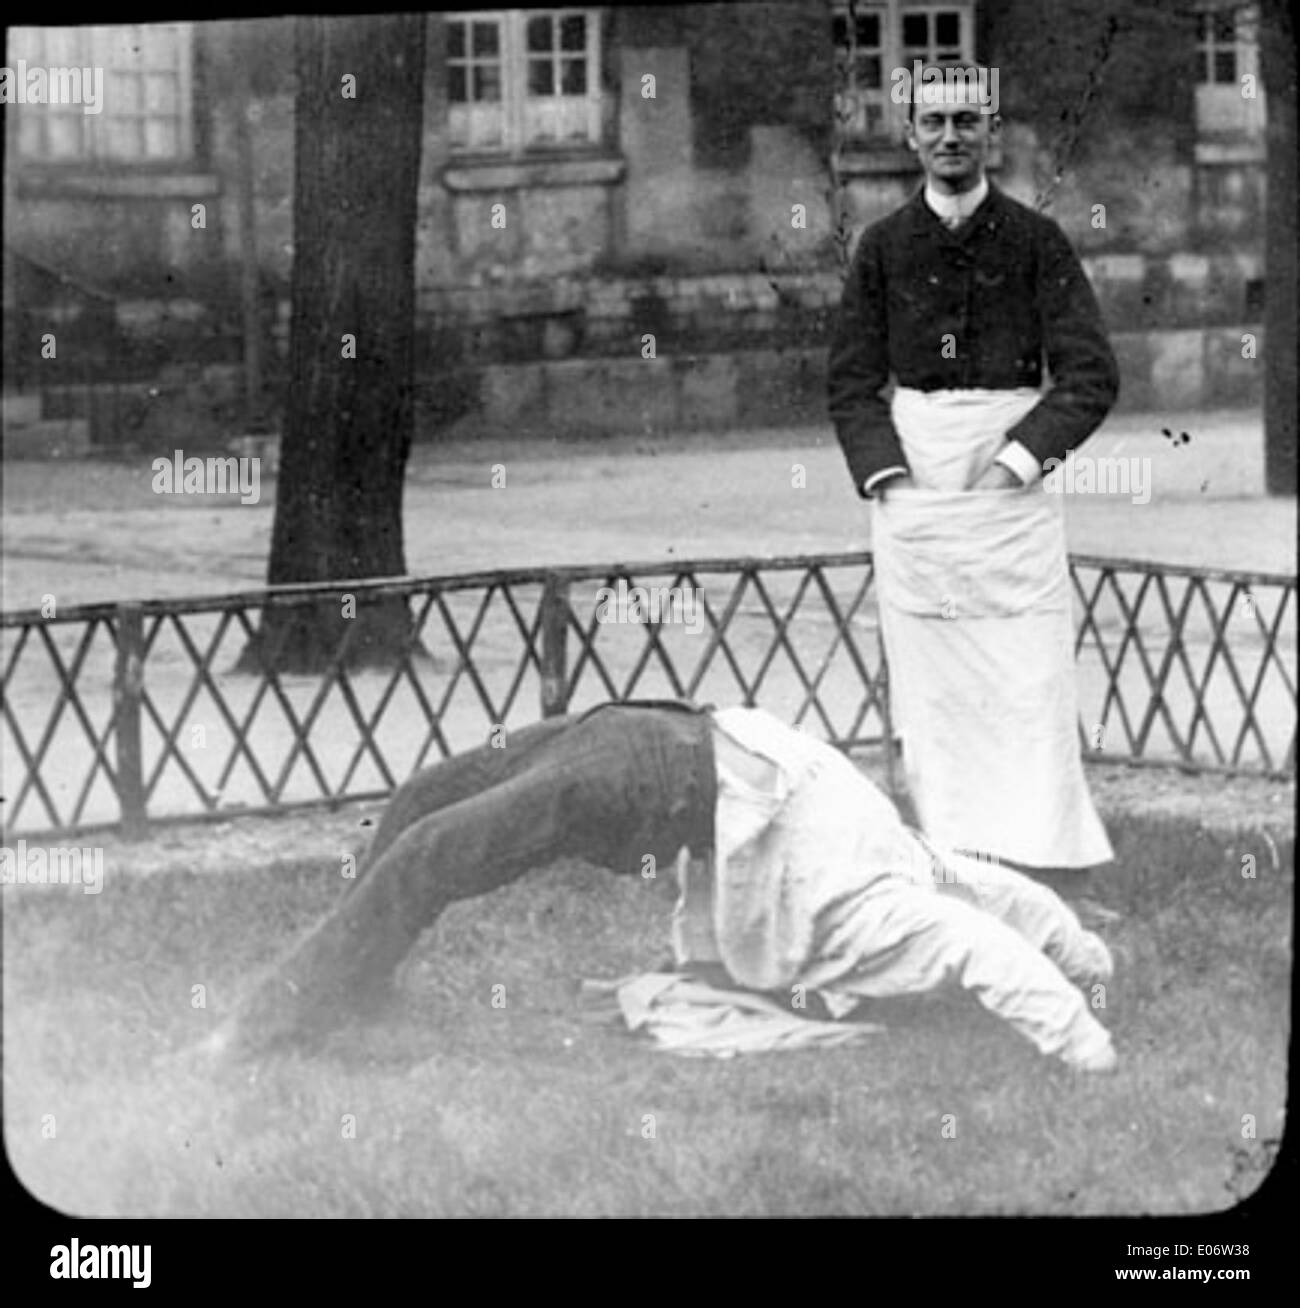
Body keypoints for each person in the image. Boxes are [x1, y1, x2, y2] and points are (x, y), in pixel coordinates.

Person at [208, 699, 1117, 1073]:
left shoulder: (898, 868)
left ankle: (263, 1023)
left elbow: (999, 908)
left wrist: (1080, 977)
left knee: (428, 831)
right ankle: (340, 994)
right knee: (424, 825)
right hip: (650, 759)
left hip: (646, 737)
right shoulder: (902, 880)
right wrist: (1084, 1024)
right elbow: (997, 920)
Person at [827, 71, 1120, 890]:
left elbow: (1091, 375)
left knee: (1028, 678)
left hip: (1011, 483)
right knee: (938, 694)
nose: (951, 135)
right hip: (916, 482)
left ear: (990, 133)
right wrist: (891, 479)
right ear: (912, 136)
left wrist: (1014, 465)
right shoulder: (883, 247)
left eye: (967, 120)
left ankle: (1045, 867)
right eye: (935, 122)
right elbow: (851, 384)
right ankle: (952, 865)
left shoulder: (1036, 241)